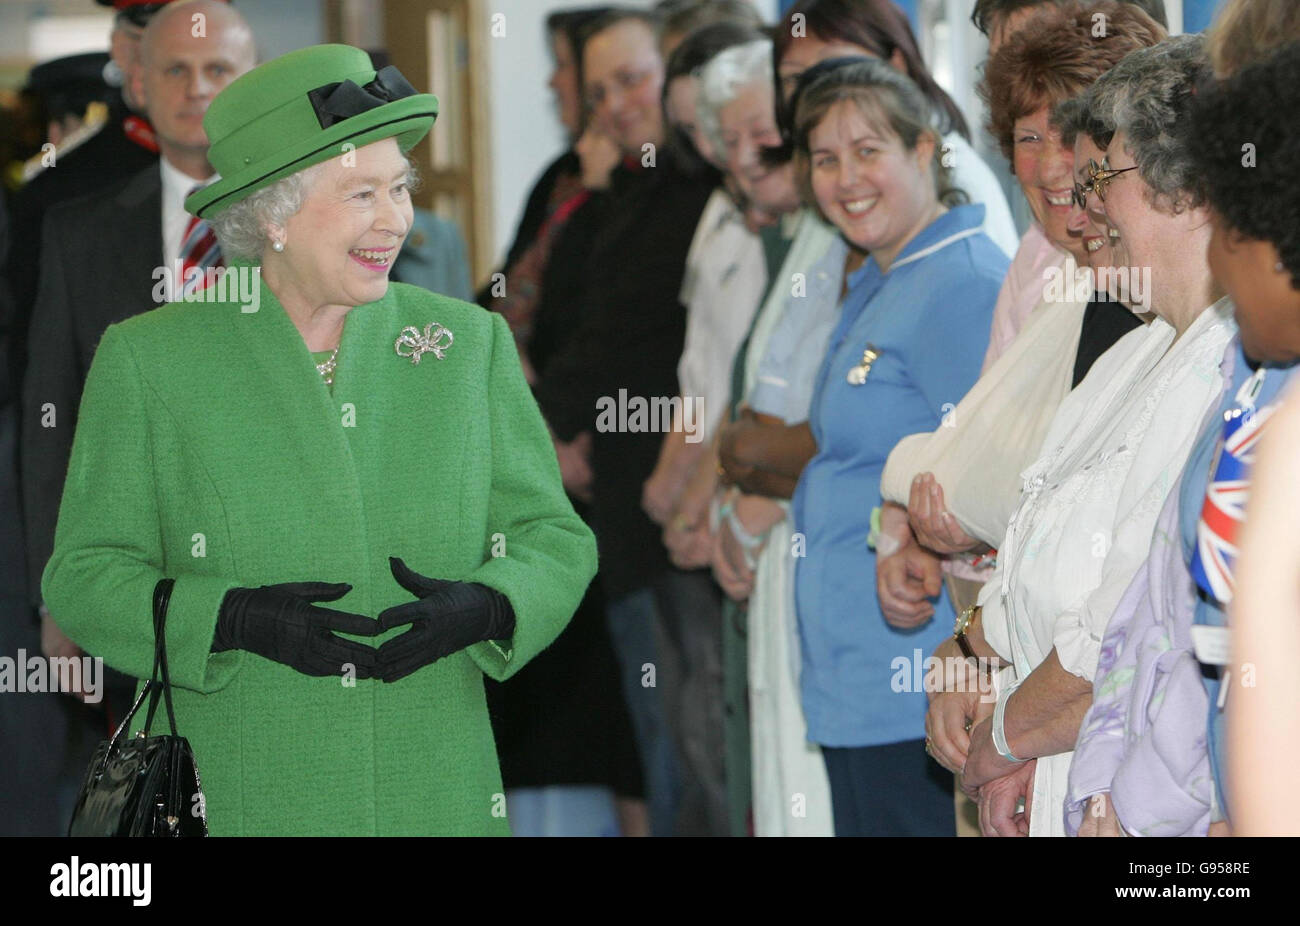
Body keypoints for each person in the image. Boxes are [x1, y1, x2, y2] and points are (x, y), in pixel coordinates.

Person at [42, 43, 597, 836]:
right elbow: (85, 576)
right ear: (271, 212)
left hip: (433, 788)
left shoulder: (465, 346)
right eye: (361, 193)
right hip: (238, 791)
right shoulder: (150, 358)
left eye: (399, 188)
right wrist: (226, 618)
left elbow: (553, 537)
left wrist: (489, 607)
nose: (396, 219)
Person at [949, 36, 1235, 837]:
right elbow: (1023, 553)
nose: (1087, 207)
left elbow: (1118, 631)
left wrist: (1000, 742)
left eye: (1104, 177)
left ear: (1189, 191)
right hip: (1061, 763)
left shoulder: (1225, 365)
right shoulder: (1137, 349)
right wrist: (985, 673)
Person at [1066, 34, 1300, 839]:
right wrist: (1104, 793)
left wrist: (1154, 812)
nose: (1223, 275)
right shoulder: (1249, 381)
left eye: (1236, 239)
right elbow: (1149, 614)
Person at [789, 58, 1009, 836]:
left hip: (911, 686)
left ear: (924, 151)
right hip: (855, 681)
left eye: (868, 150)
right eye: (824, 158)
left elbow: (1001, 485)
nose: (846, 178)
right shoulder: (883, 279)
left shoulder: (961, 284)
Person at [24, 0, 257, 727]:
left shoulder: (307, 223)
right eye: (175, 70)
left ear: (251, 82)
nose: (197, 90)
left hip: (287, 578)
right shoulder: (77, 235)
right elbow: (48, 424)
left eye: (218, 69)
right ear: (138, 86)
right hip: (135, 587)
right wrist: (55, 594)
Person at [530, 8, 716, 837]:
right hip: (623, 512)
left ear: (672, 74)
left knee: (696, 757)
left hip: (675, 516)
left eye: (632, 79)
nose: (616, 103)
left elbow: (614, 334)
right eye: (599, 89)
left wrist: (543, 427)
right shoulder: (624, 194)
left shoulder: (694, 190)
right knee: (662, 747)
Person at [774, 0, 1018, 258]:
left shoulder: (955, 170)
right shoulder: (829, 184)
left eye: (836, 70)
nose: (816, 93)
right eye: (795, 78)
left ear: (895, 65)